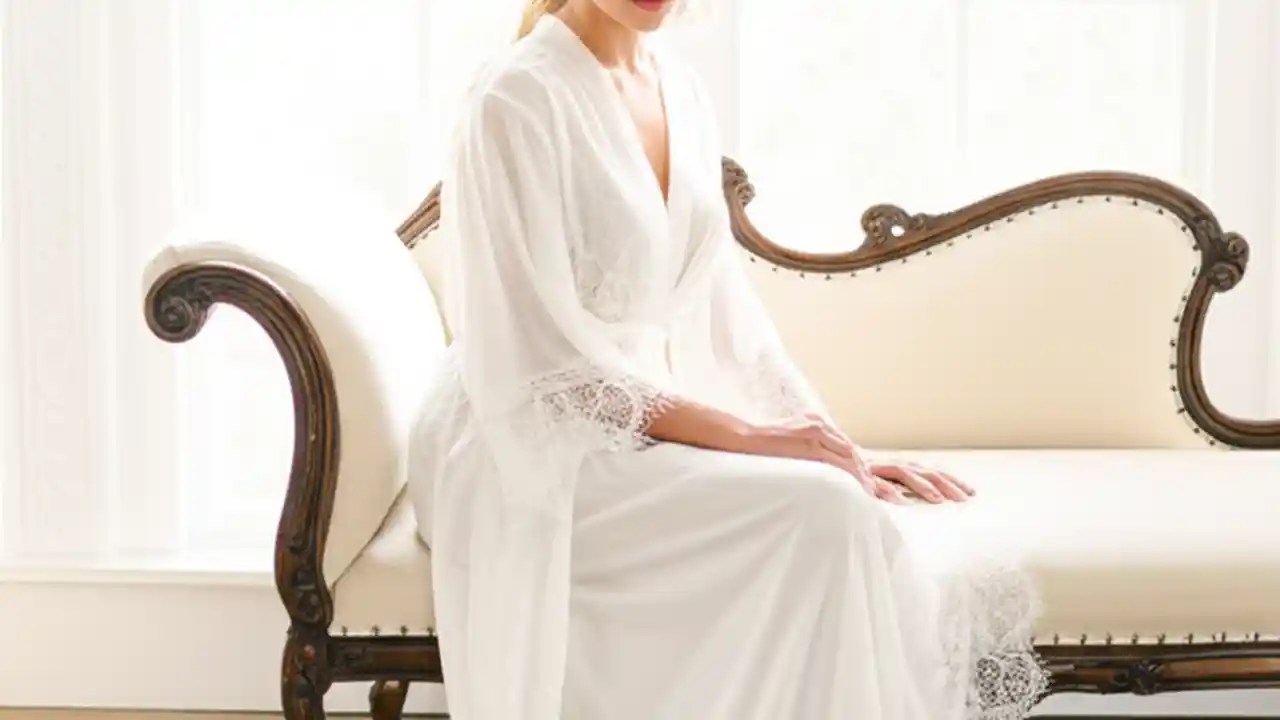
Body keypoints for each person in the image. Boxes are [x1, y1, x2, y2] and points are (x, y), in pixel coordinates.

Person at [408, 1, 1046, 717]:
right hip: (523, 441)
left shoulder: (680, 87)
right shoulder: (514, 99)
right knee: (823, 517)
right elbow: (539, 363)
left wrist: (825, 441)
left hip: (641, 416)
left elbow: (723, 315)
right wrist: (748, 437)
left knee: (841, 501)